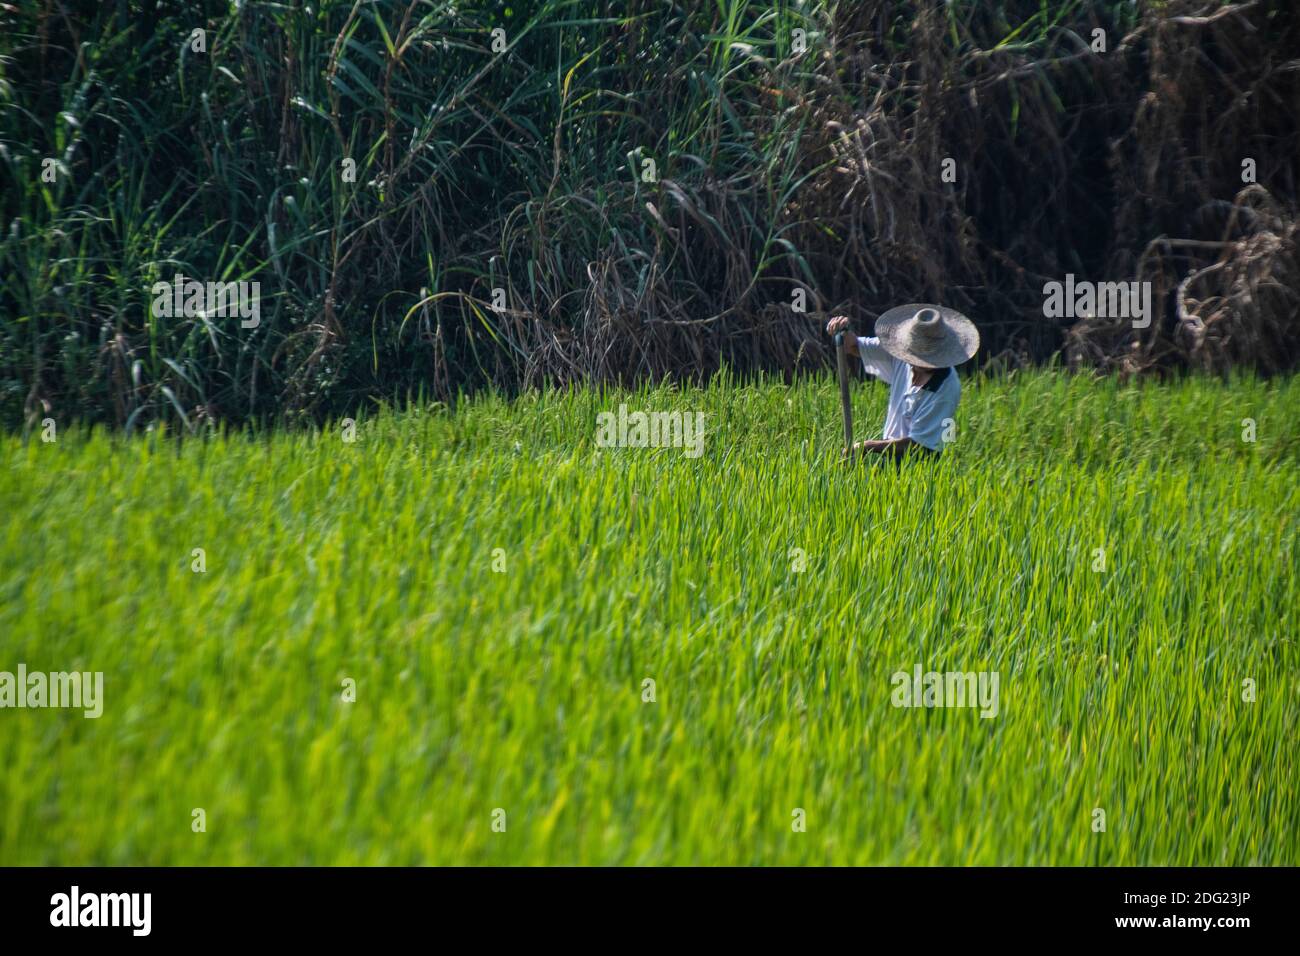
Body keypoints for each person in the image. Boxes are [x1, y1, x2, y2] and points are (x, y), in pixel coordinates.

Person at [825, 304, 979, 462]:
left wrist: (865, 447)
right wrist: (844, 331)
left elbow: (918, 446)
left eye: (922, 363)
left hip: (920, 465)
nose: (912, 364)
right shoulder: (901, 351)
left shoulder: (946, 389)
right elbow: (853, 346)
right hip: (888, 455)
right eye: (912, 358)